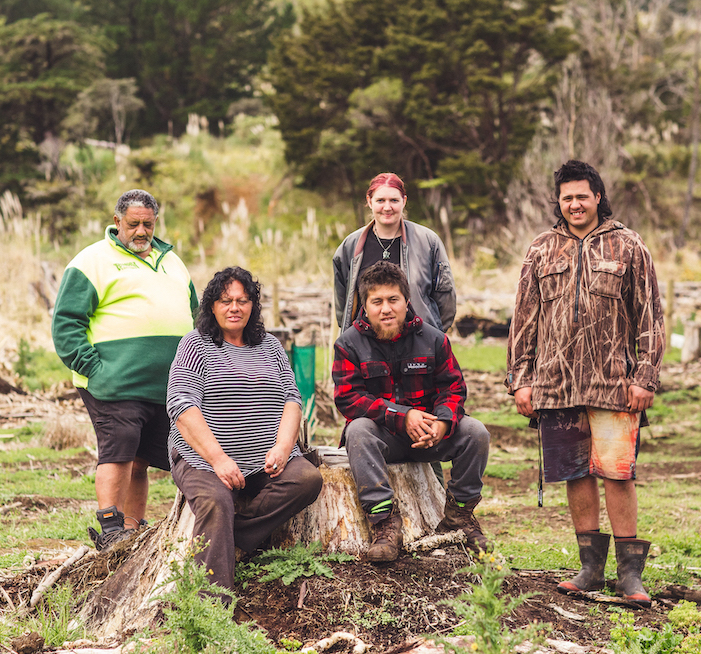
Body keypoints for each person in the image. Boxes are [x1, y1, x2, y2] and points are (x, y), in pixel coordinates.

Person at [506, 160, 664, 607]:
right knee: (574, 473)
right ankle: (590, 568)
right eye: (566, 197)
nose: (575, 204)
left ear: (598, 196)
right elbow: (523, 320)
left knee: (617, 472)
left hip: (615, 383)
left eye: (582, 195)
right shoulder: (540, 249)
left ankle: (630, 576)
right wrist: (521, 380)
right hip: (555, 385)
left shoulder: (629, 246)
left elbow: (650, 315)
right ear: (558, 202)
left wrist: (645, 375)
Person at [53, 189, 197, 551]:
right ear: (117, 222)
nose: (141, 231)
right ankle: (111, 529)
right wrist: (95, 370)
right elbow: (66, 323)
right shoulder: (92, 261)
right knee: (118, 453)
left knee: (141, 459)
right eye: (133, 224)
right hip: (113, 383)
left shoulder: (172, 261)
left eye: (148, 224)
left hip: (164, 386)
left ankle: (133, 531)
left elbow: (196, 316)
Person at [167, 267, 323, 591]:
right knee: (215, 502)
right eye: (225, 301)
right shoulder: (196, 345)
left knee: (307, 479)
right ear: (212, 306)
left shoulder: (270, 346)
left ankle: (233, 536)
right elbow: (182, 407)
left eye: (242, 300)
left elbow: (293, 399)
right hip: (203, 459)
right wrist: (218, 460)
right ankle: (213, 604)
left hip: (263, 458)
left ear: (253, 305)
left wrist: (283, 447)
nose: (234, 307)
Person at [332, 261, 489, 562]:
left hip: (430, 437)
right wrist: (402, 416)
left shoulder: (434, 339)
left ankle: (460, 517)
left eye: (393, 300)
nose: (386, 309)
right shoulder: (348, 344)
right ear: (365, 306)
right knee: (357, 430)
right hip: (385, 439)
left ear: (407, 301)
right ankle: (385, 525)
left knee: (475, 432)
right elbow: (348, 398)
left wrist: (443, 422)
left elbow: (452, 389)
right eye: (376, 302)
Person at [334, 172, 456, 333]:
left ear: (404, 201)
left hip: (417, 342)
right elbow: (343, 302)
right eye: (380, 200)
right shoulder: (350, 246)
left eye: (394, 200)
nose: (387, 207)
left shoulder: (428, 242)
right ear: (369, 201)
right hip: (366, 345)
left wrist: (432, 335)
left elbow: (445, 300)